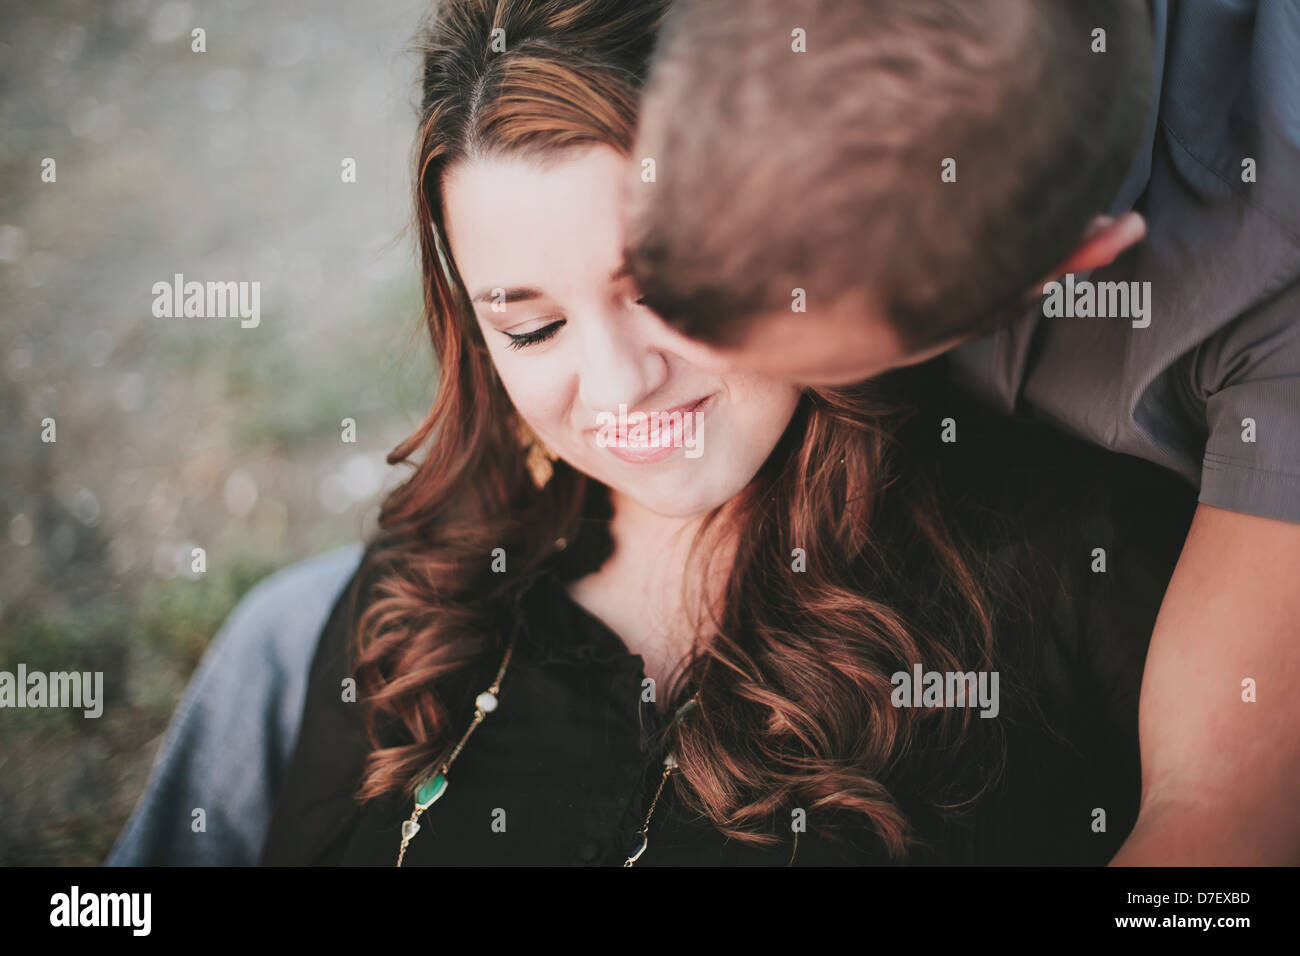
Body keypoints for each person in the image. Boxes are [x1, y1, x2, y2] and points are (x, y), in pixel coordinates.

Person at [108, 0, 1194, 867]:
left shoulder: (1068, 563)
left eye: (662, 293)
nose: (620, 382)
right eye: (531, 327)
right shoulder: (416, 601)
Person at [624, 0, 1300, 864]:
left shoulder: (1276, 302)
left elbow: (1219, 821)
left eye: (817, 359)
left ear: (1070, 266)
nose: (634, 380)